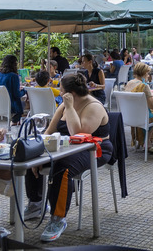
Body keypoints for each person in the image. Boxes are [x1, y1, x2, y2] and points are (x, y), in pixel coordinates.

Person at [24, 73, 113, 242]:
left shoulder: (94, 106)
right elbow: (48, 132)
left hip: (94, 149)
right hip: (64, 148)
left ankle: (58, 218)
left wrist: (71, 107)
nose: (58, 92)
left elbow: (78, 134)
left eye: (61, 90)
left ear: (70, 93)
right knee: (30, 157)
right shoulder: (63, 106)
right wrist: (37, 150)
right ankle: (35, 203)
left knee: (63, 168)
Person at [124, 62, 153, 153]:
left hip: (130, 116)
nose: (149, 75)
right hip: (142, 117)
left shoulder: (129, 83)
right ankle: (147, 142)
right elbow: (152, 105)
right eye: (148, 73)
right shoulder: (144, 86)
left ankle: (144, 141)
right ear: (144, 73)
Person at [0, 55, 26, 125]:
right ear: (14, 64)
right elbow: (17, 95)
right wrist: (24, 91)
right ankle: (15, 121)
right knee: (24, 103)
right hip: (10, 106)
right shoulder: (13, 76)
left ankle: (15, 121)